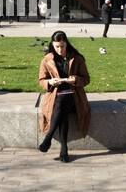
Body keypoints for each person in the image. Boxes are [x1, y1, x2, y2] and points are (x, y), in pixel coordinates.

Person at [37, 31, 91, 163]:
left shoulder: (77, 58)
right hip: (55, 96)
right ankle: (64, 149)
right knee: (62, 108)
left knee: (63, 103)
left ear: (66, 44)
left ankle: (48, 139)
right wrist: (50, 82)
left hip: (75, 97)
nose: (60, 49)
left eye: (62, 46)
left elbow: (86, 79)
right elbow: (41, 80)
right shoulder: (47, 59)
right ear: (52, 45)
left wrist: (76, 80)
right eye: (57, 46)